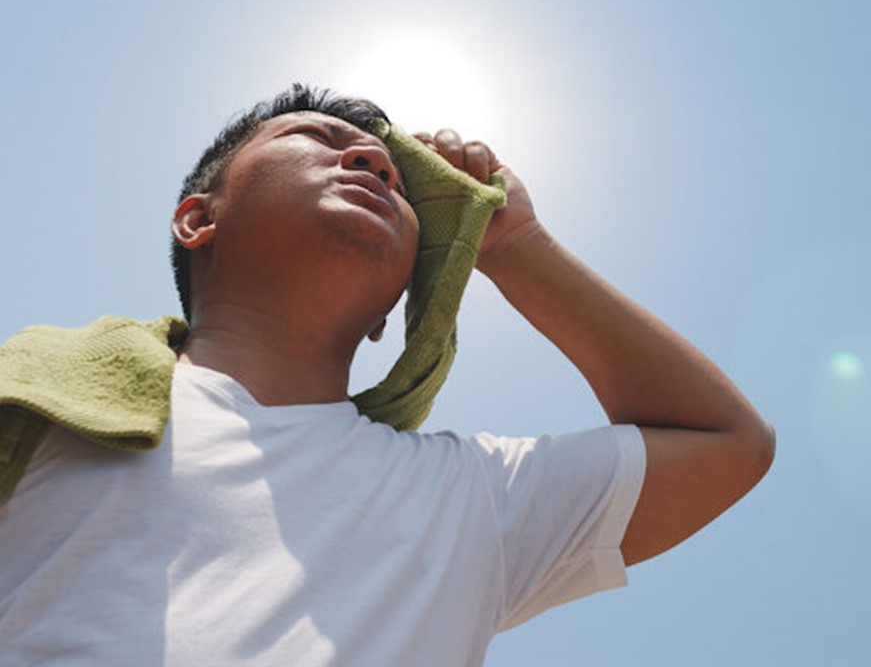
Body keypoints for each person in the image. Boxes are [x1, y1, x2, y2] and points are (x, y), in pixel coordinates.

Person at [0, 85, 773, 665]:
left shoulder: (469, 497)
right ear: (198, 218)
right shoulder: (43, 400)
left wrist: (516, 245)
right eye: (314, 137)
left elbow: (727, 442)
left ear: (387, 315)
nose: (372, 162)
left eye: (399, 184)